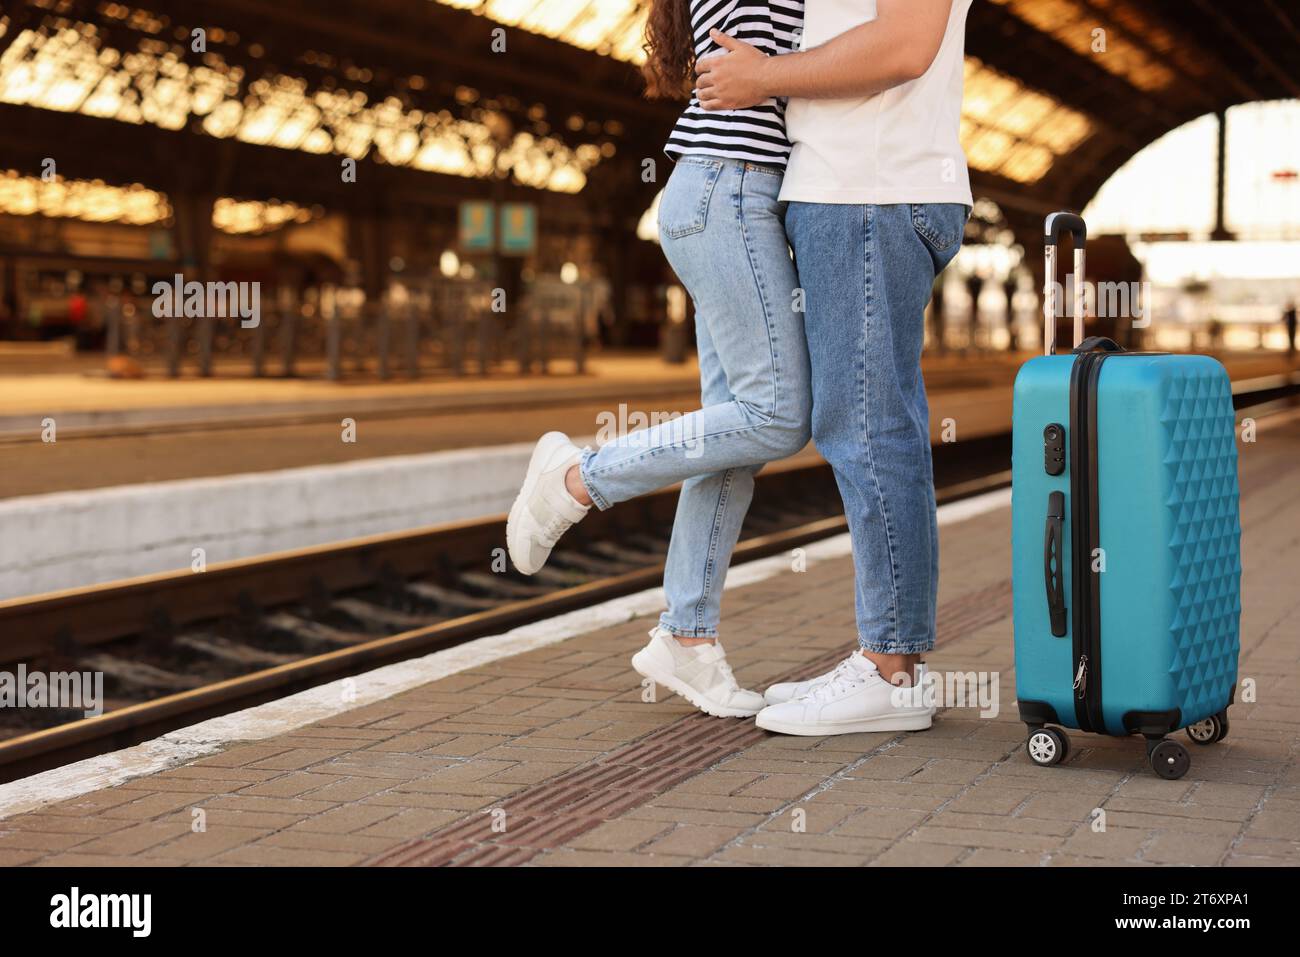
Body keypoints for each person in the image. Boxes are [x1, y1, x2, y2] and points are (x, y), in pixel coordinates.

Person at [507, 0, 812, 720]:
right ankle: (578, 479)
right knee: (777, 415)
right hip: (730, 192)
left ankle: (687, 636)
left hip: (726, 195)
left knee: (732, 432)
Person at [695, 0, 973, 735]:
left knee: (868, 427)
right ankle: (891, 657)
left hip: (870, 193)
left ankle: (889, 670)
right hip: (854, 192)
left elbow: (907, 43)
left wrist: (762, 77)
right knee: (866, 419)